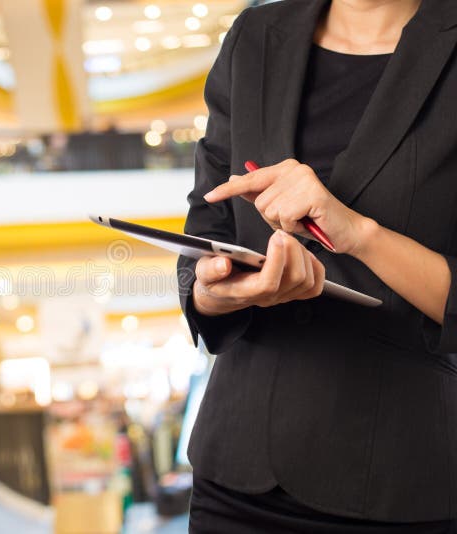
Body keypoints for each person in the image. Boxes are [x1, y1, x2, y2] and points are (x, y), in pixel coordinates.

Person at [177, 0, 457, 531]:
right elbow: (206, 228)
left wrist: (359, 234)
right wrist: (214, 292)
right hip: (237, 473)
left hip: (398, 481)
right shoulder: (255, 35)